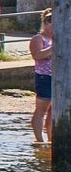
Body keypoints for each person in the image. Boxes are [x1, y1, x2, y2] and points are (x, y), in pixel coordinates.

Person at [32, 9, 54, 144]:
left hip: (57, 78)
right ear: (46, 23)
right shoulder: (38, 38)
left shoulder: (55, 38)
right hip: (44, 77)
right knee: (41, 109)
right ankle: (39, 140)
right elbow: (37, 55)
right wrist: (54, 48)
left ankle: (52, 139)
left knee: (53, 111)